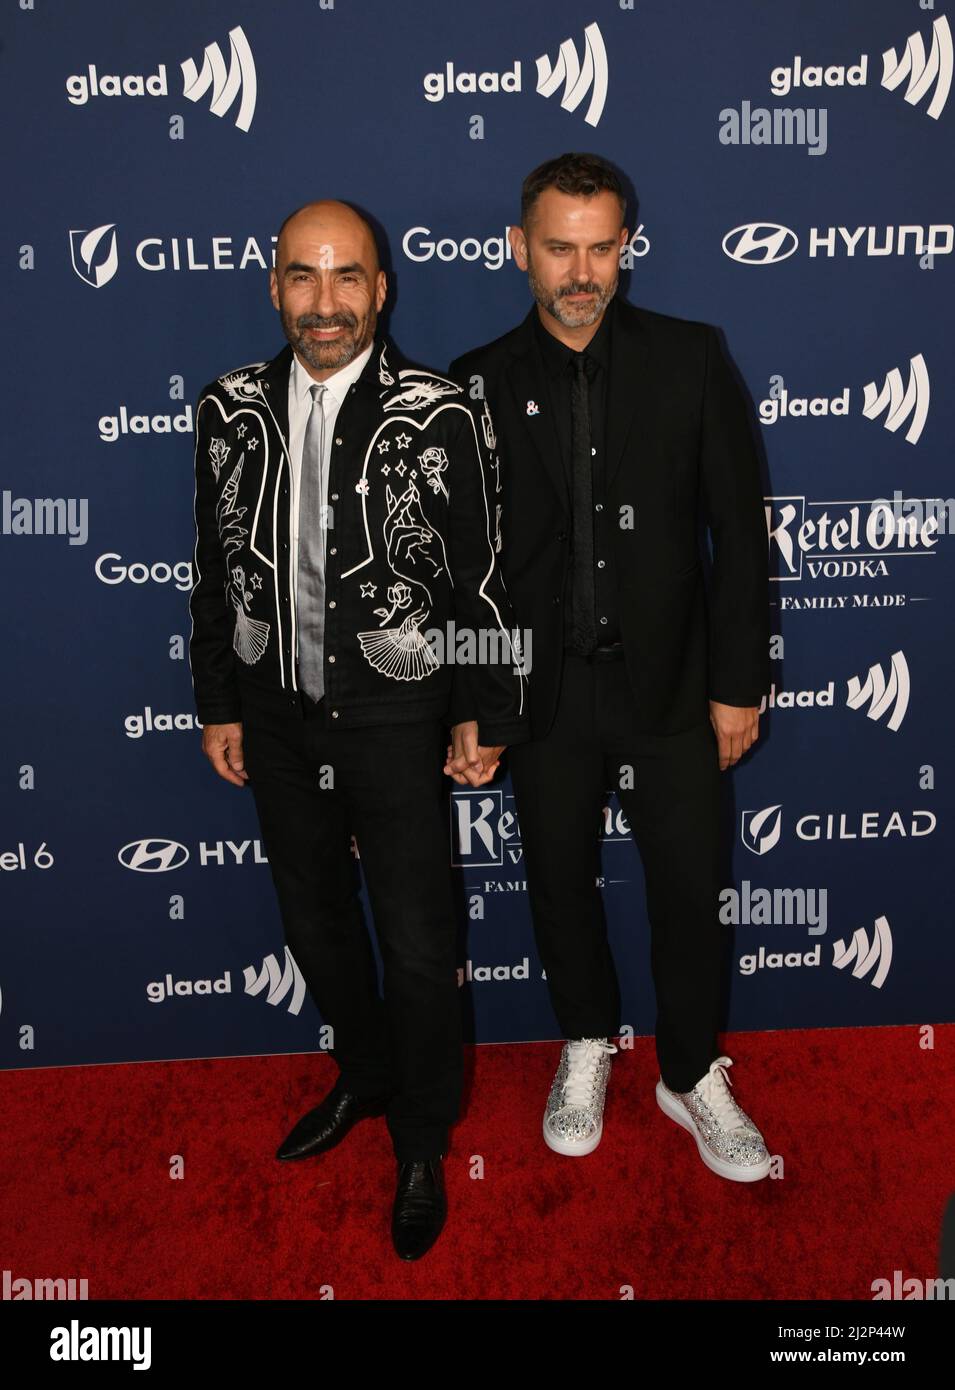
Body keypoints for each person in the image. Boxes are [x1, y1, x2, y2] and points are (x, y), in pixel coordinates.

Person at [188, 200, 528, 1258]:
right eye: (303, 277)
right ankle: (368, 1071)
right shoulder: (229, 406)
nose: (325, 303)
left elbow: (482, 578)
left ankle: (422, 1134)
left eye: (347, 279)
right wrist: (219, 699)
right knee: (314, 920)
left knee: (422, 946)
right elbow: (213, 567)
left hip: (395, 712)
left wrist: (484, 710)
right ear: (274, 286)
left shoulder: (439, 408)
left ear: (381, 289)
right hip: (276, 713)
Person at [447, 153, 774, 1181]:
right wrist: (476, 701)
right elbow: (468, 571)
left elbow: (738, 534)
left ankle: (689, 1071)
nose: (582, 271)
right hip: (543, 693)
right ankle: (585, 1038)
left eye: (601, 247)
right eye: (559, 248)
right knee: (556, 882)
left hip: (673, 683)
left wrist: (737, 681)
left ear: (625, 245)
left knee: (688, 887)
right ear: (517, 250)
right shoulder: (476, 384)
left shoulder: (690, 359)